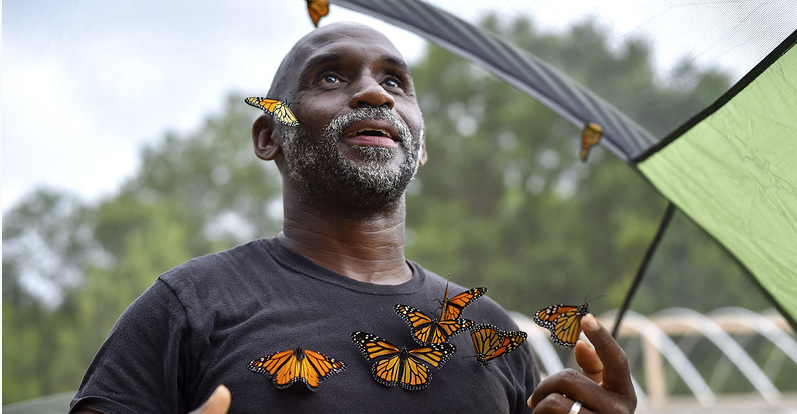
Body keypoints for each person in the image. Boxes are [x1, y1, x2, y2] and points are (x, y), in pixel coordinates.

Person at [70, 22, 636, 414]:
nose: (375, 93)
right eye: (331, 77)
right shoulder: (187, 309)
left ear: (420, 145)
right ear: (271, 136)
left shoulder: (489, 331)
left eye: (395, 82)